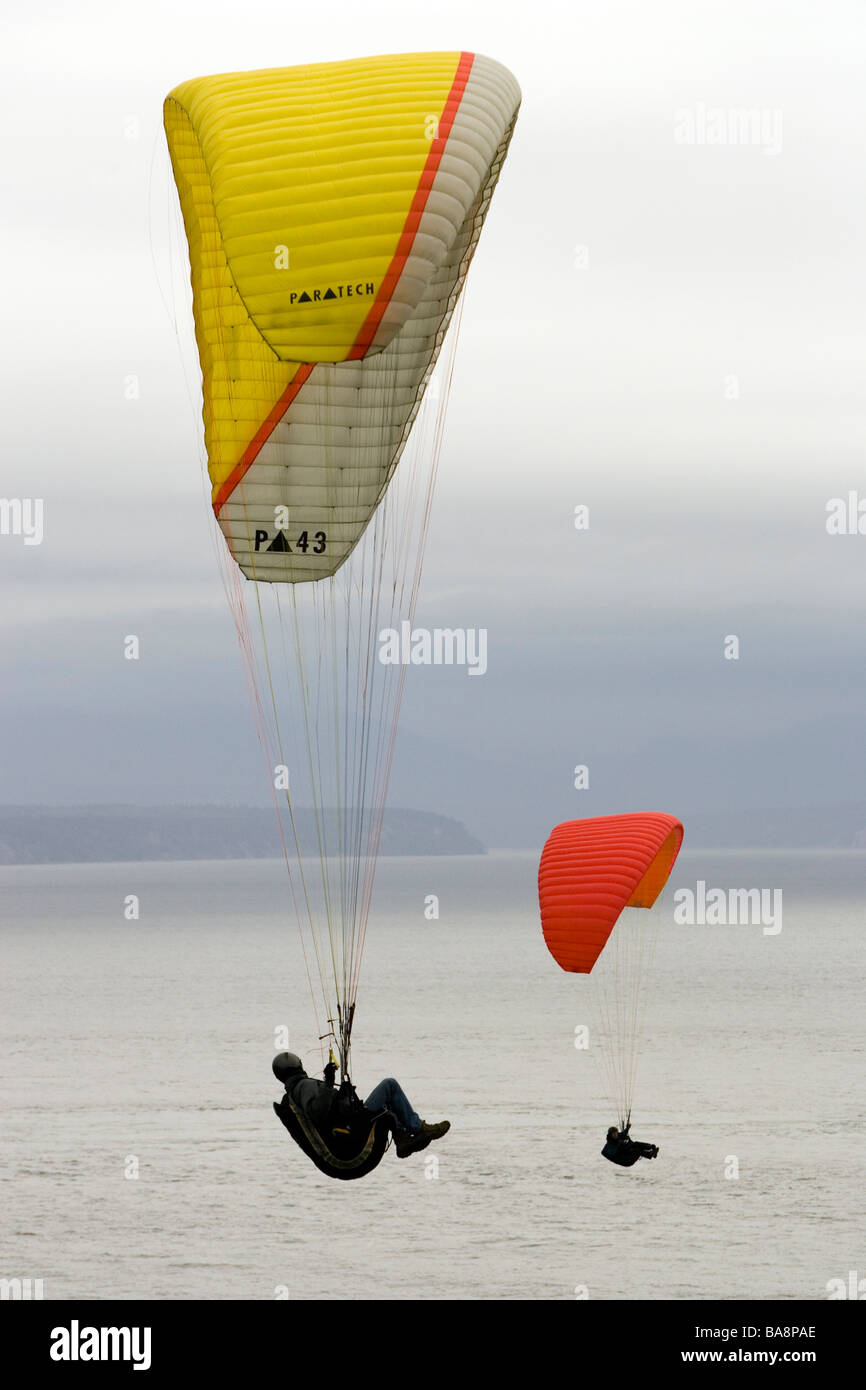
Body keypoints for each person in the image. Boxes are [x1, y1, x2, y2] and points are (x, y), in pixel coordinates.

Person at [272, 1053, 450, 1159]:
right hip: (353, 1123)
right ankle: (419, 1128)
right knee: (390, 1085)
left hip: (350, 1121)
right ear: (297, 1065)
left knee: (387, 1102)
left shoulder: (295, 1091)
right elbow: (319, 1112)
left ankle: (402, 1139)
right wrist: (329, 1082)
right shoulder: (303, 1086)